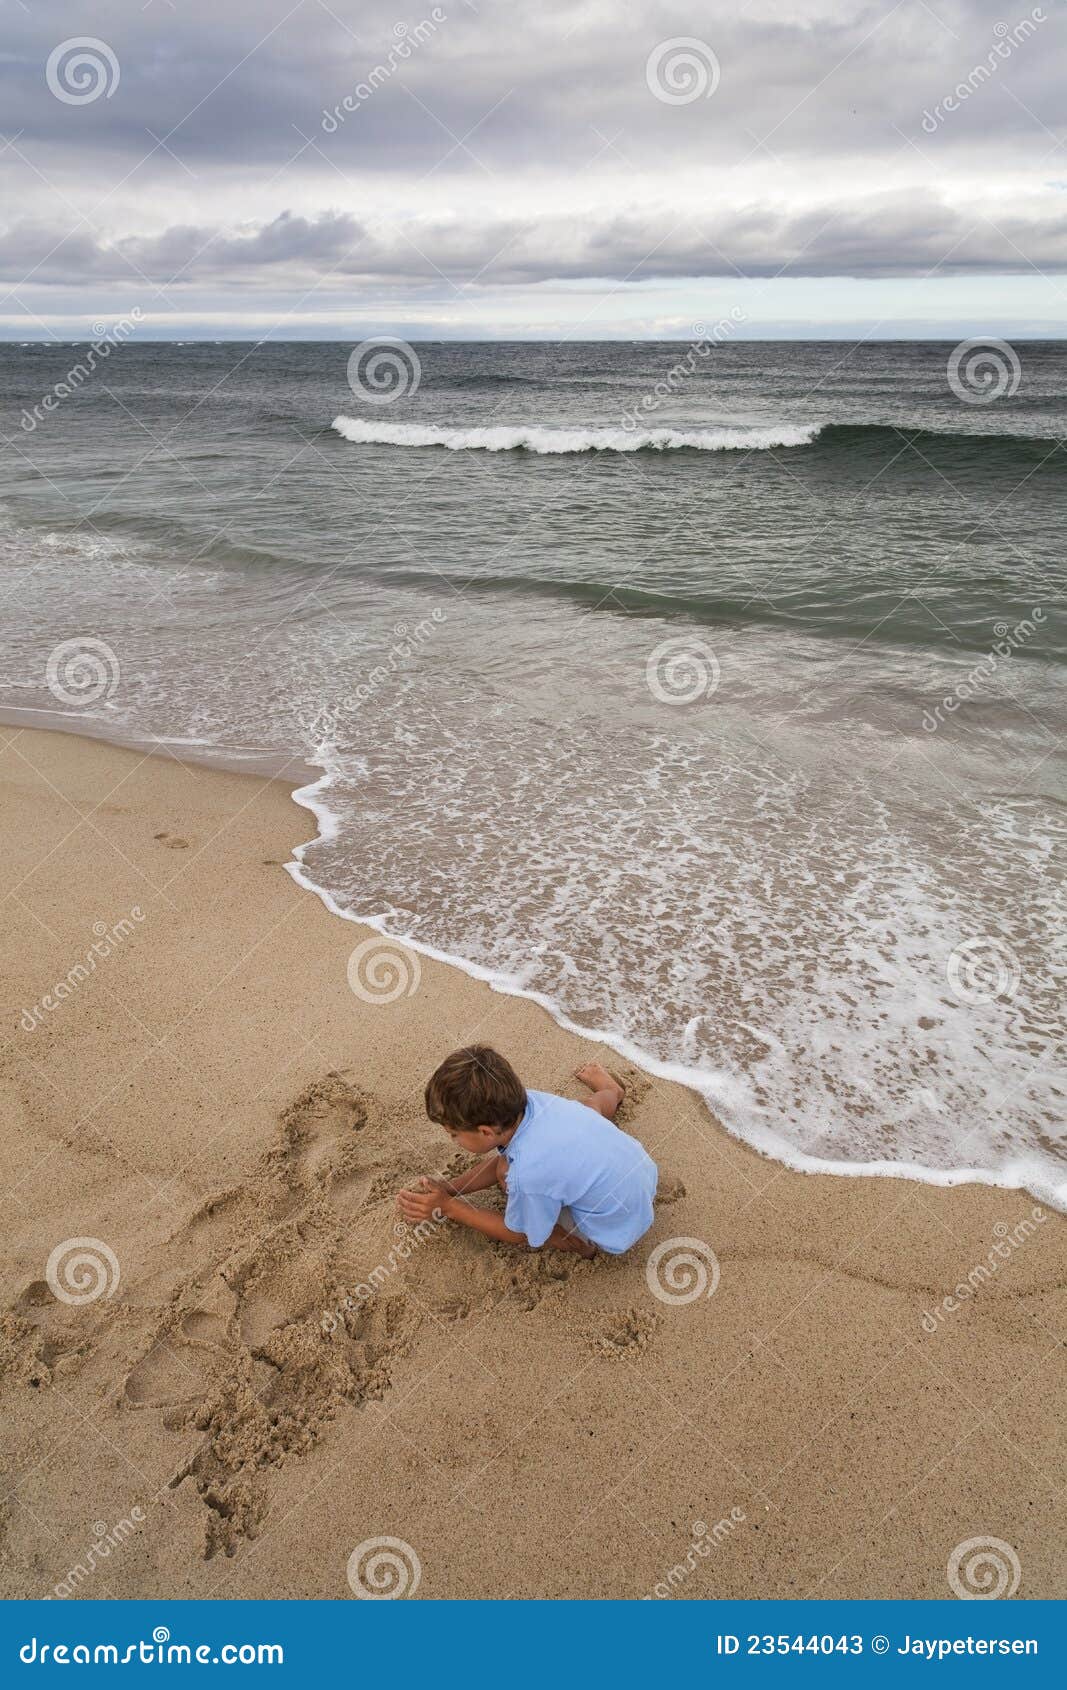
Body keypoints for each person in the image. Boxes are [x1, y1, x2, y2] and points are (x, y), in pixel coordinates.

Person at [396, 1044, 657, 1257]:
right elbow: (508, 1156)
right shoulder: (533, 1102)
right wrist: (451, 1188)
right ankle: (612, 1091)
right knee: (589, 1109)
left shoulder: (528, 1173)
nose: (453, 1139)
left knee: (516, 1189)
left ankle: (577, 1240)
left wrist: (449, 1206)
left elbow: (518, 1233)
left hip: (616, 1228)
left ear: (486, 1131)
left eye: (454, 1134)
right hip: (642, 1174)